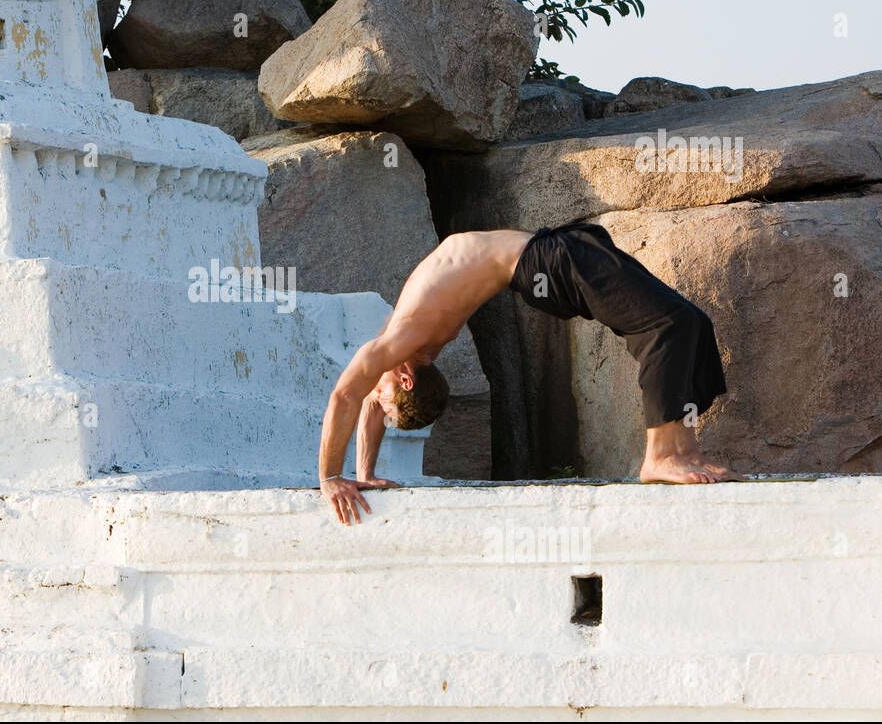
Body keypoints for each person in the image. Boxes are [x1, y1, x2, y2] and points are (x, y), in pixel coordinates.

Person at [317, 223, 741, 526]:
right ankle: (667, 453)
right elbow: (369, 402)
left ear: (404, 380)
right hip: (549, 260)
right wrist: (361, 472)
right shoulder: (408, 342)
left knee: (687, 323)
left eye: (383, 394)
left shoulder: (402, 339)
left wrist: (333, 477)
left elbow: (346, 397)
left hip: (552, 254)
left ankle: (677, 451)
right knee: (668, 325)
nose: (376, 393)